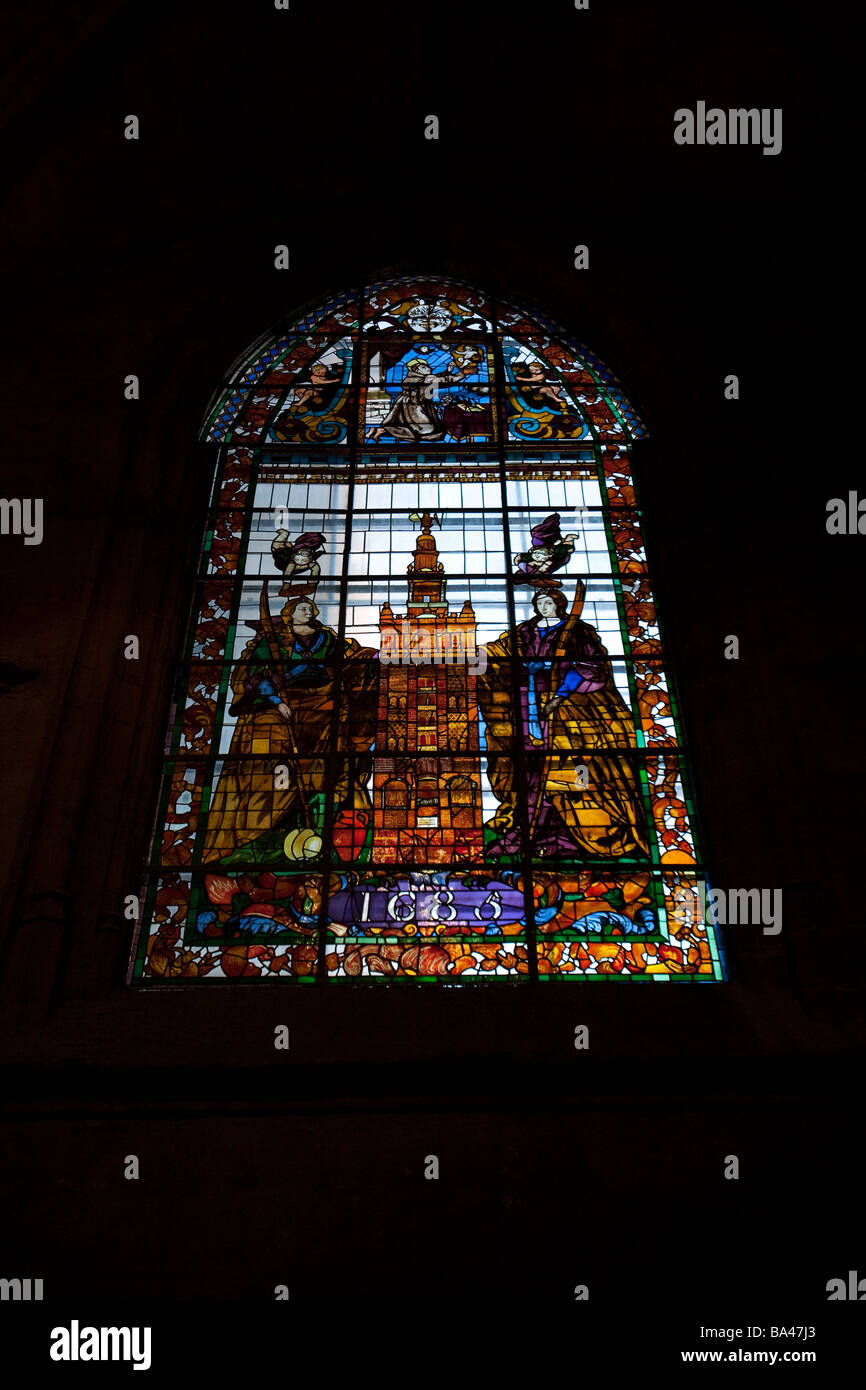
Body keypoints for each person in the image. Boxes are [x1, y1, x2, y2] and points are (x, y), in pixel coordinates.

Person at [202, 596, 377, 867]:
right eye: (302, 607)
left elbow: (349, 658)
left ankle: (329, 802)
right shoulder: (272, 643)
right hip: (282, 704)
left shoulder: (327, 639)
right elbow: (253, 679)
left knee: (342, 721)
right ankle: (265, 832)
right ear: (289, 614)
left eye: (310, 607)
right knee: (272, 748)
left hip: (323, 698)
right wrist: (277, 701)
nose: (310, 610)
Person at [477, 588, 650, 859]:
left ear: (559, 604)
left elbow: (592, 666)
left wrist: (561, 694)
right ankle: (532, 831)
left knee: (571, 768)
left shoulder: (576, 631)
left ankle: (572, 834)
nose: (543, 607)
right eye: (539, 603)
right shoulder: (526, 630)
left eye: (548, 602)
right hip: (529, 705)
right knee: (532, 766)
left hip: (571, 712)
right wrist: (481, 654)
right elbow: (501, 650)